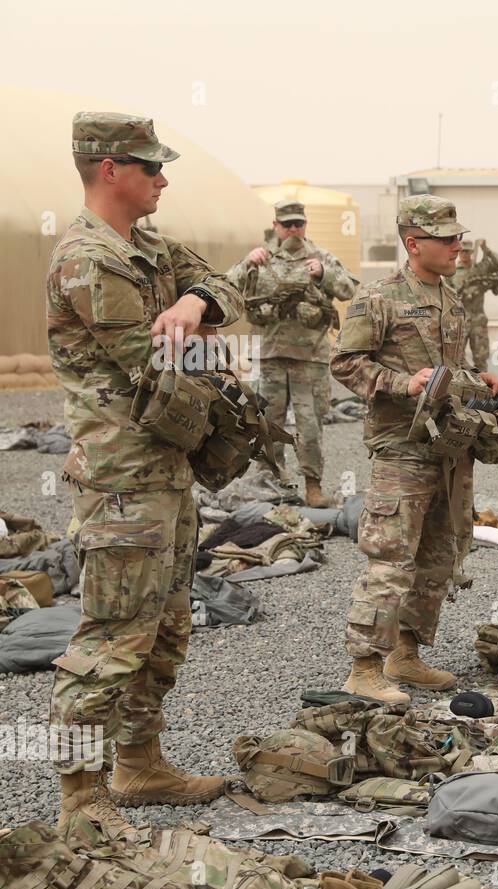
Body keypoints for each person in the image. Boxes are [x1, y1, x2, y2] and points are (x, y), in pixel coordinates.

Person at [46, 112, 242, 835]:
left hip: (167, 472)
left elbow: (227, 283)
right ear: (109, 170)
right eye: (150, 168)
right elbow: (158, 366)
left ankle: (139, 765)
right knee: (107, 644)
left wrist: (195, 302)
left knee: (163, 632)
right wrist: (202, 339)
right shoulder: (88, 260)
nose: (163, 180)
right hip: (123, 479)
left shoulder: (148, 245)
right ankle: (80, 800)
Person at [331, 195, 498, 705]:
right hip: (401, 448)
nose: (457, 246)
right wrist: (403, 384)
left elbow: (450, 369)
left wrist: (479, 381)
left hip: (447, 449)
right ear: (413, 243)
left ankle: (405, 654)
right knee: (390, 559)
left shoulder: (452, 300)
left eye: (458, 237)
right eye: (446, 238)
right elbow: (344, 363)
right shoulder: (378, 297)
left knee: (437, 557)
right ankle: (363, 667)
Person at [228, 199, 357, 506]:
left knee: (309, 426)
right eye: (287, 225)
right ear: (276, 226)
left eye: (299, 223)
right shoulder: (260, 258)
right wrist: (247, 262)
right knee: (266, 424)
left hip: (309, 358)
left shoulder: (319, 257)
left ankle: (313, 485)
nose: (294, 229)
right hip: (268, 357)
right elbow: (228, 285)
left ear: (305, 224)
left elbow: (349, 289)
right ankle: (269, 483)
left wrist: (324, 273)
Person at [447, 238, 498, 371]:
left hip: (478, 321)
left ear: (472, 252)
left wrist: (485, 248)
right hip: (459, 320)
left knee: (481, 358)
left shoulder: (480, 269)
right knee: (456, 358)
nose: (464, 254)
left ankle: (483, 387)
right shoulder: (451, 272)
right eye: (462, 251)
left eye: (467, 251)